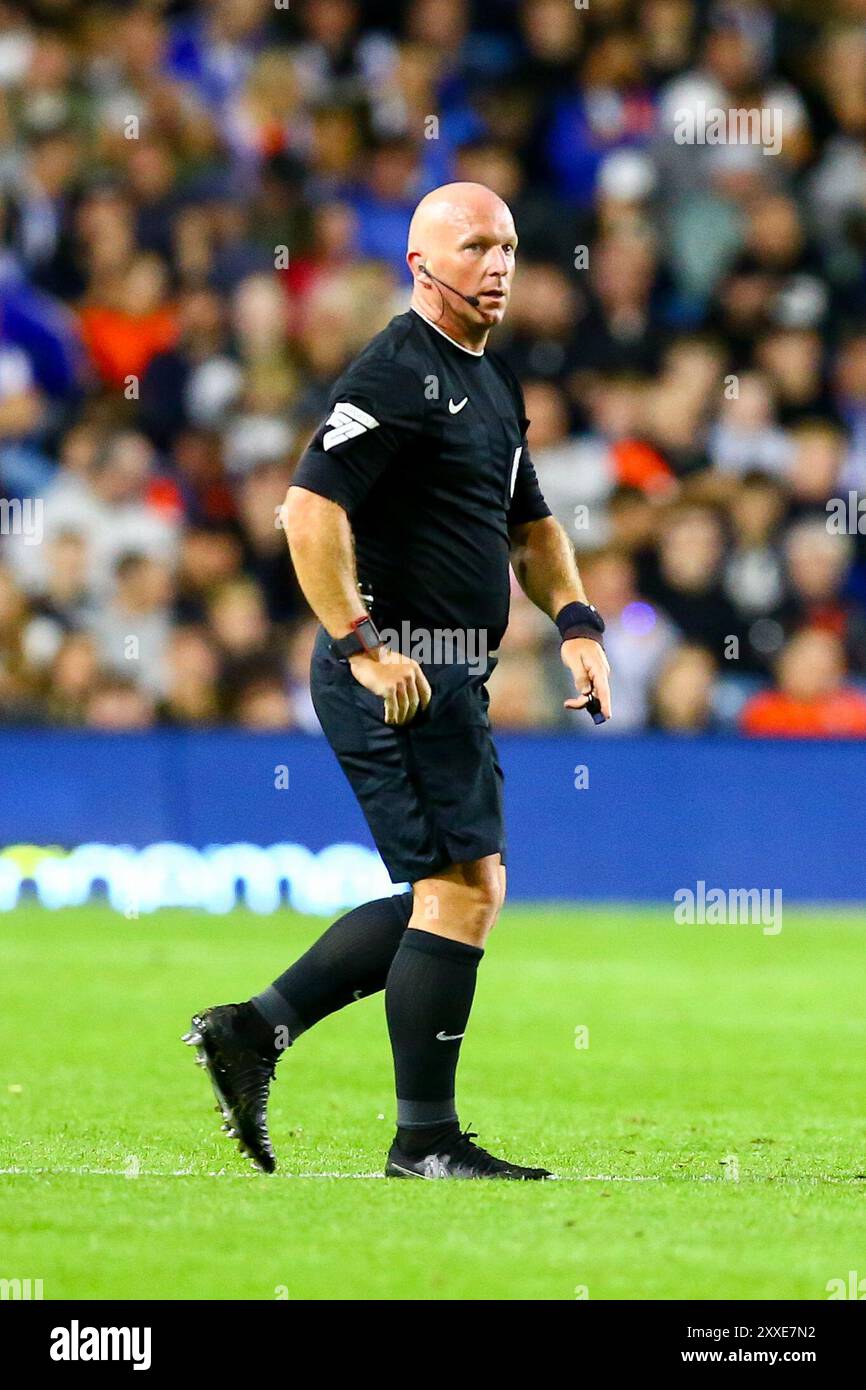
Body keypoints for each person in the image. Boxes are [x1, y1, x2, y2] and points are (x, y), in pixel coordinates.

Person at [183, 182, 611, 1180]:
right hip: (395, 674)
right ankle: (421, 1139)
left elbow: (530, 525)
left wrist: (579, 622)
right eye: (472, 246)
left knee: (463, 890)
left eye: (505, 244)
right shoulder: (394, 371)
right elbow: (307, 509)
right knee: (458, 894)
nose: (496, 262)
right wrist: (362, 642)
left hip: (451, 676)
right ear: (421, 263)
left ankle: (255, 1028)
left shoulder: (487, 379)